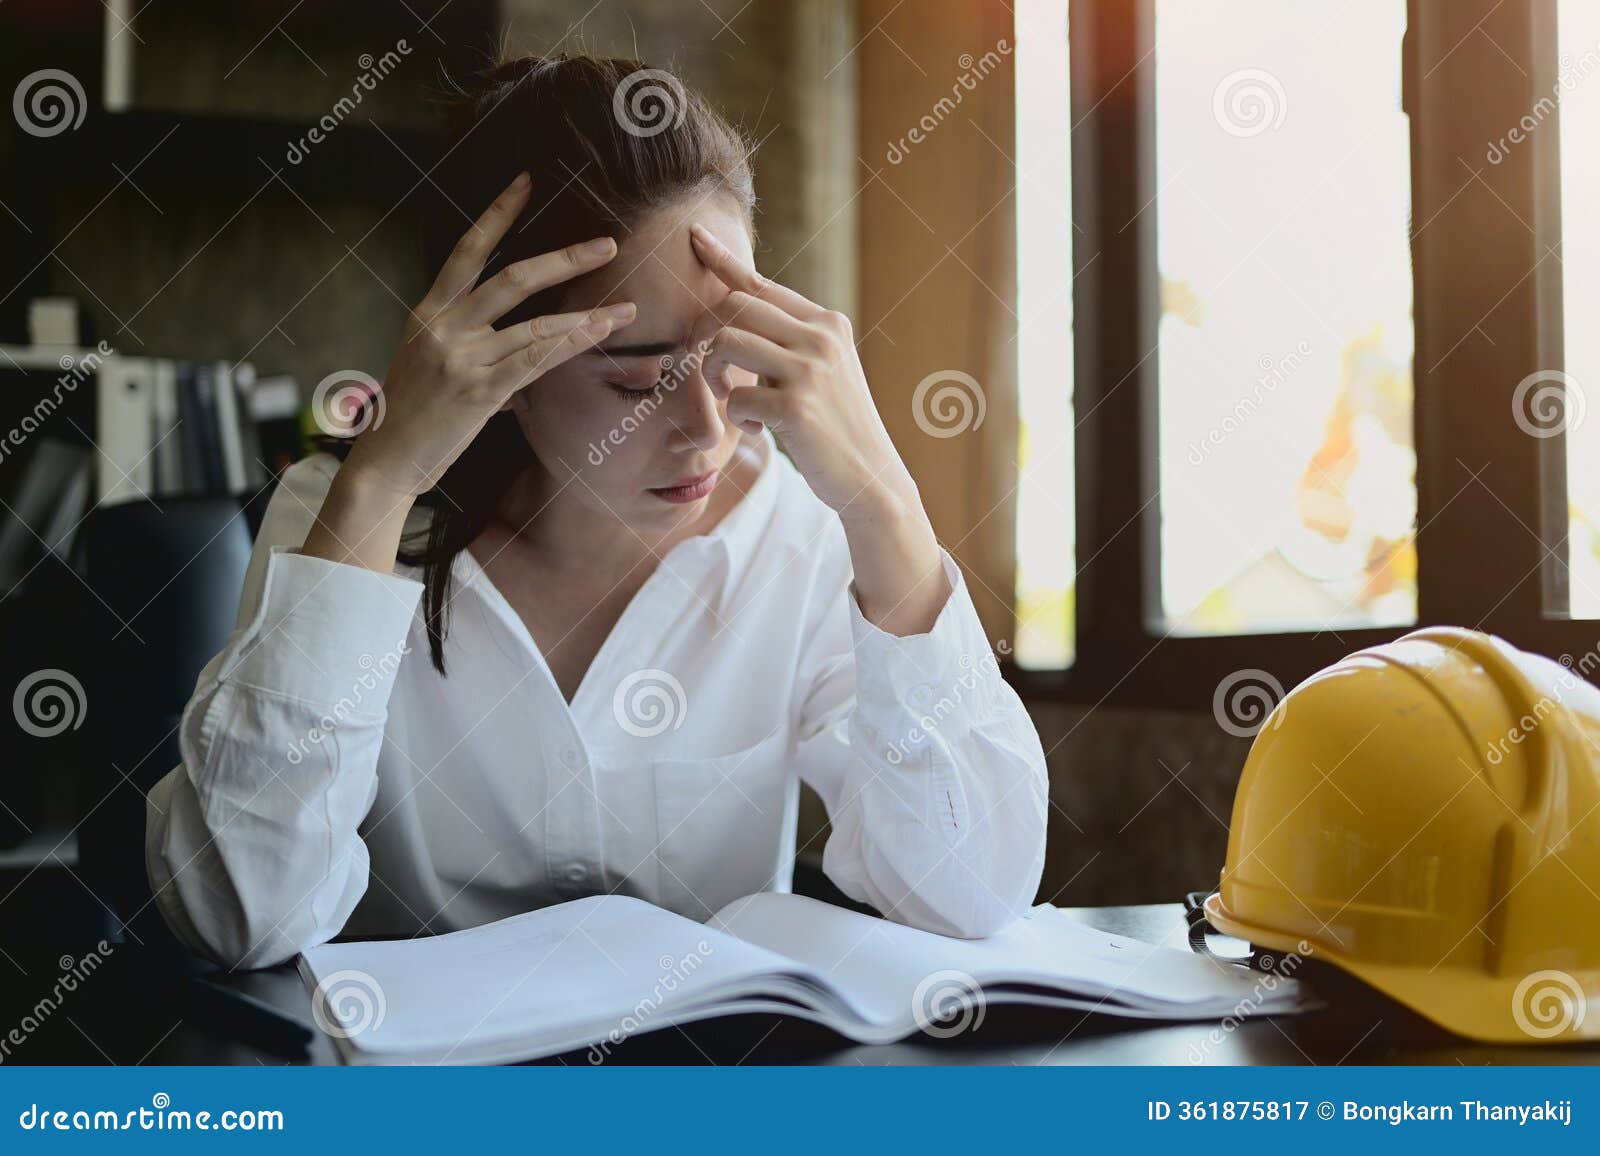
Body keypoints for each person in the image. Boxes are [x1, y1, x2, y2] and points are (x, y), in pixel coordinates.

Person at [144, 53, 1049, 970]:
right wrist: (378, 488)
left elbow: (968, 895)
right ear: (500, 363)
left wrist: (887, 503)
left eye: (730, 353)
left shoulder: (802, 534)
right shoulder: (341, 520)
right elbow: (240, 917)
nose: (707, 430)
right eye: (639, 380)